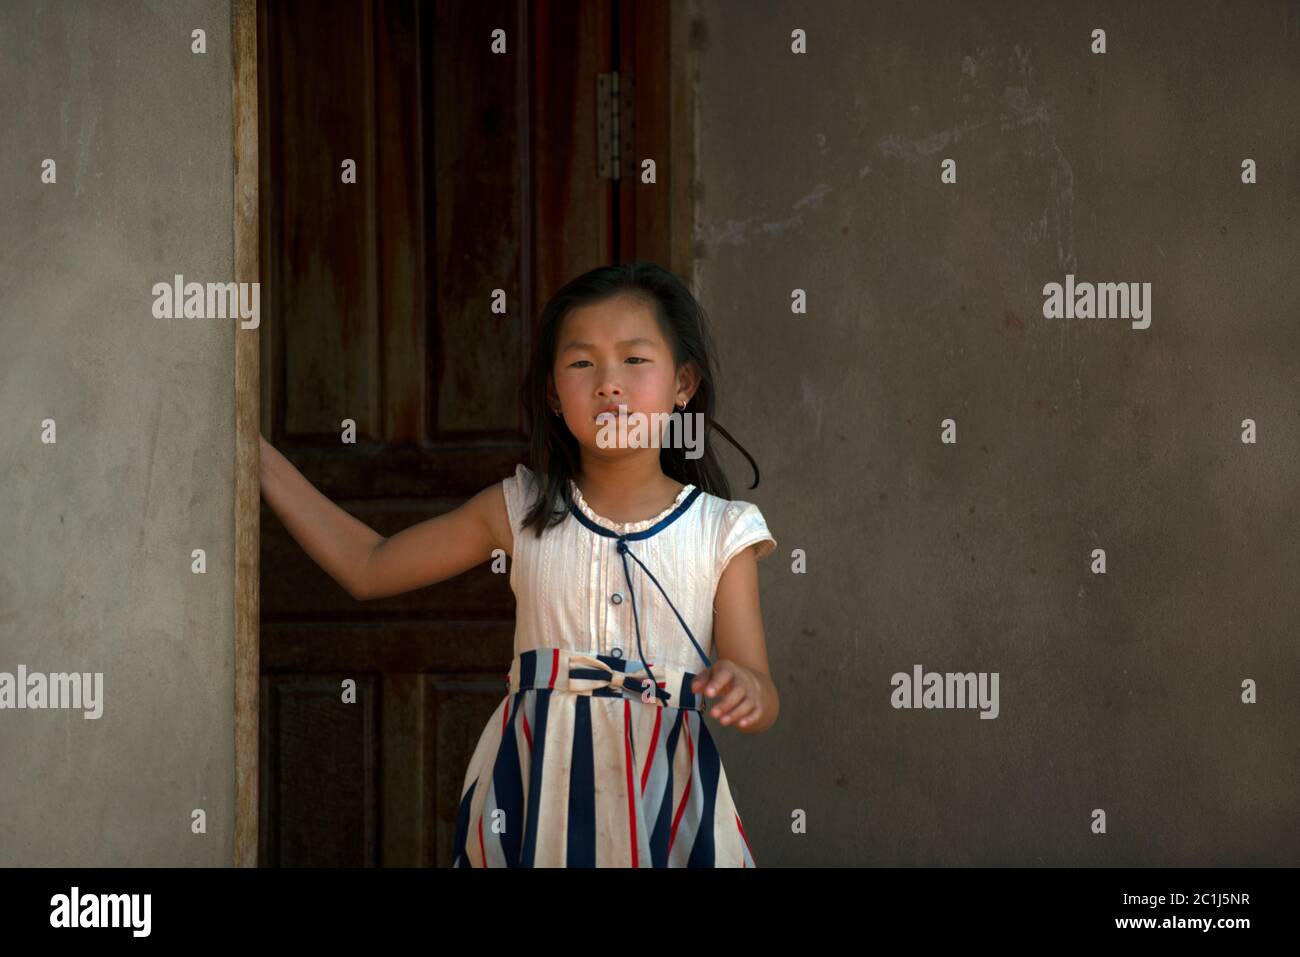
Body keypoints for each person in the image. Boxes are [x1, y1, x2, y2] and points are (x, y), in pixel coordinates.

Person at [260, 260, 779, 867]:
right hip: (536, 801)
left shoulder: (722, 529)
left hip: (668, 804)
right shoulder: (520, 509)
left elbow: (761, 690)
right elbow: (368, 566)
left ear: (682, 384)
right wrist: (253, 451)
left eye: (635, 360)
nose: (609, 382)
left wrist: (746, 689)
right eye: (582, 363)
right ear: (555, 395)